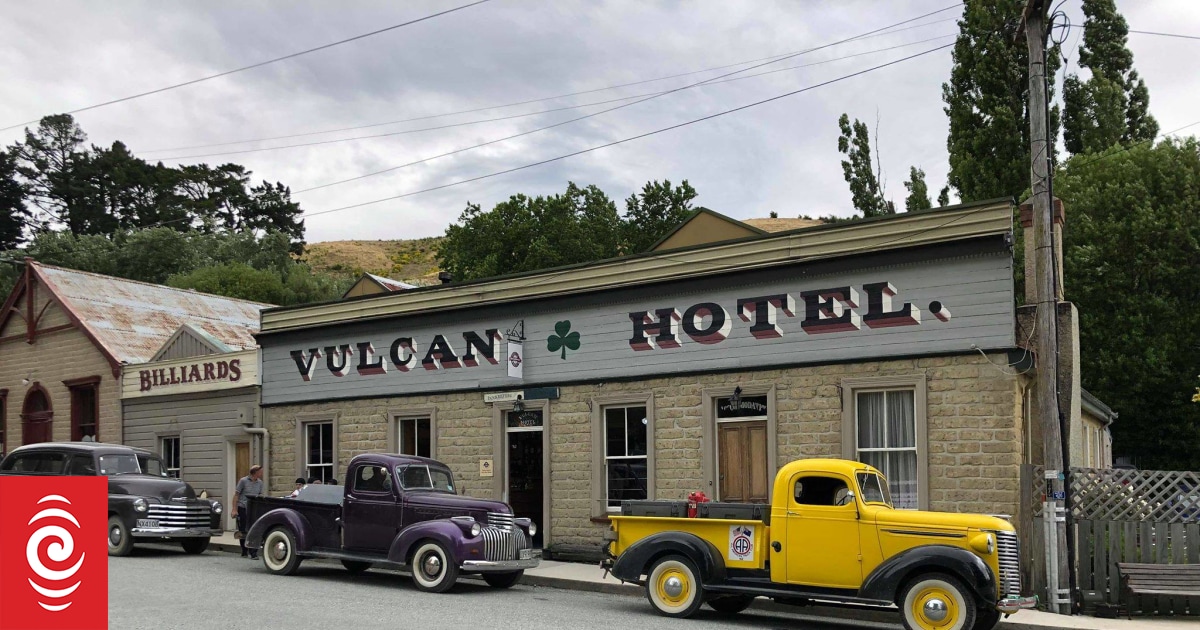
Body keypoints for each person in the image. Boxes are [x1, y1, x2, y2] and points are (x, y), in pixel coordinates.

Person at [233, 464, 264, 558]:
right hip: (243, 507)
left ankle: (253, 552)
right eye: (260, 471)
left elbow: (260, 495)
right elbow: (236, 495)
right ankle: (244, 550)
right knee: (243, 529)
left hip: (254, 509)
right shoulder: (243, 481)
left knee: (254, 529)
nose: (262, 473)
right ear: (255, 472)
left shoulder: (260, 483)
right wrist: (234, 509)